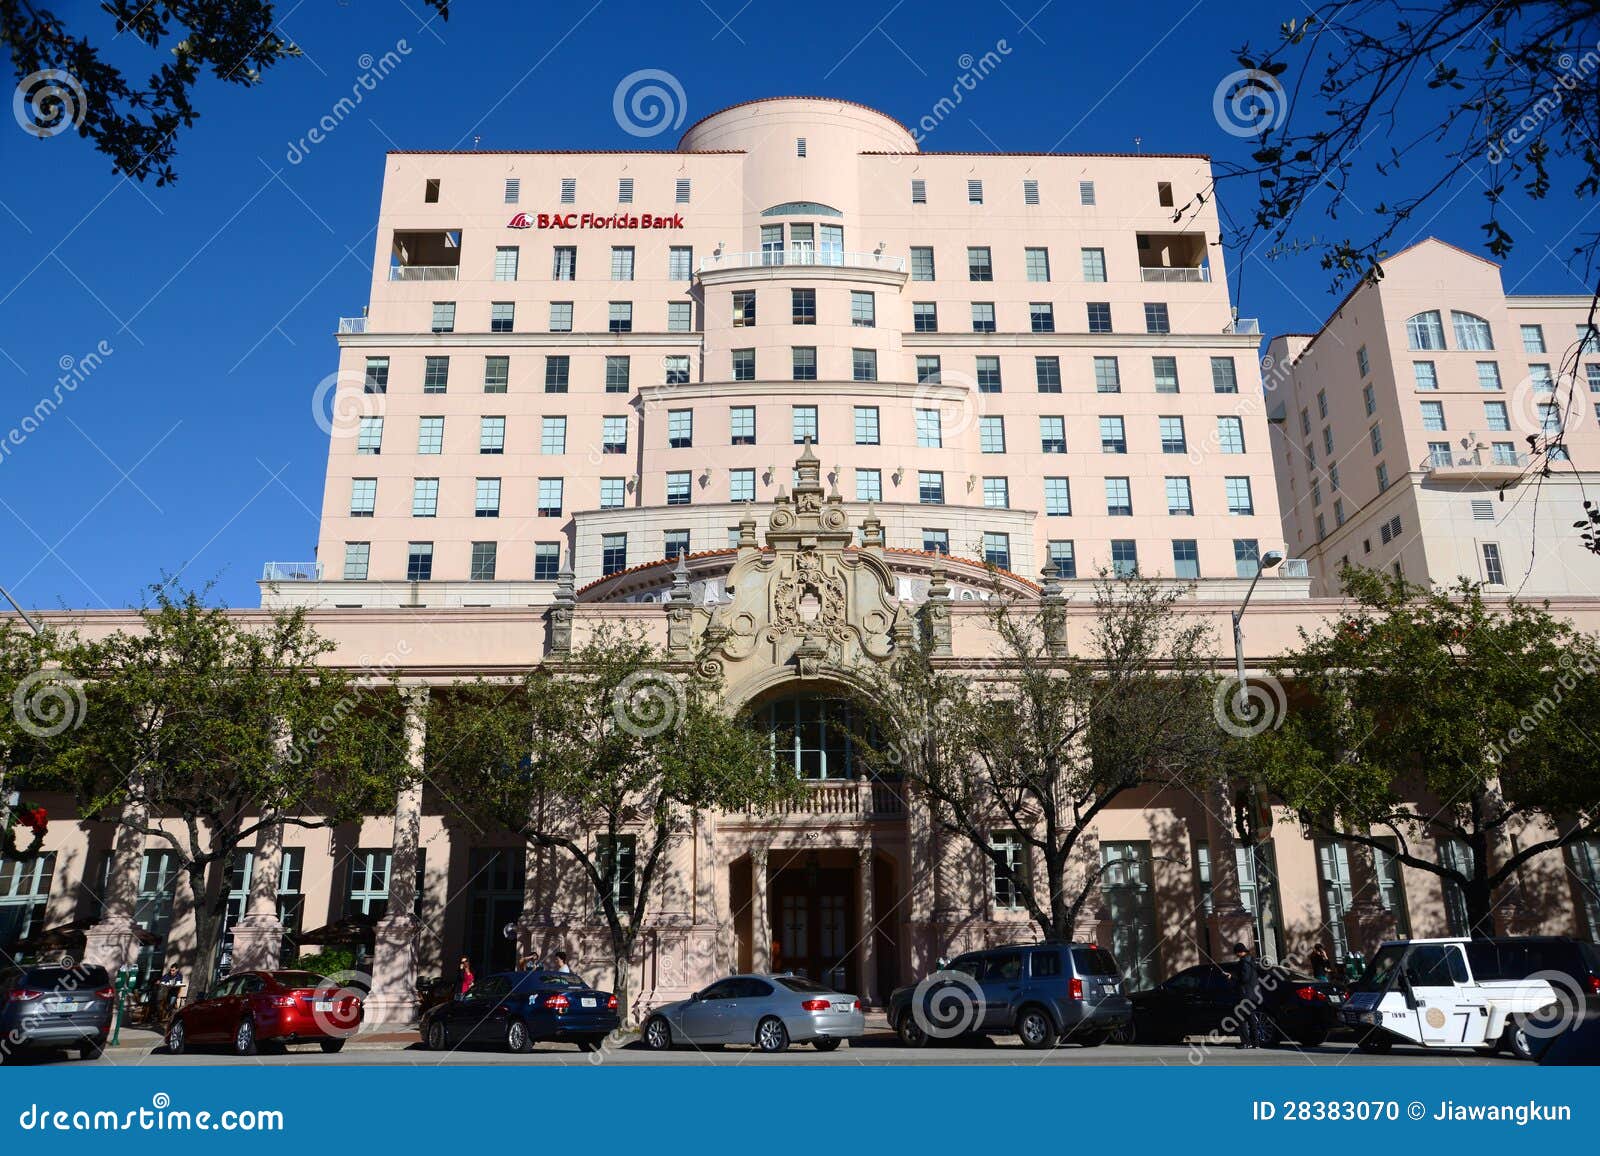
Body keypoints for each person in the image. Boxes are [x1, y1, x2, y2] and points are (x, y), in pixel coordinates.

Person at [1233, 941, 1265, 1049]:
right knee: (1251, 1018)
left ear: (1240, 952)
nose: (1236, 955)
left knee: (1241, 1017)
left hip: (1245, 994)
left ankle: (1246, 1042)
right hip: (1254, 994)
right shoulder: (1252, 961)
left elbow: (1244, 979)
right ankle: (1256, 1043)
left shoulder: (1243, 962)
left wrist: (1232, 977)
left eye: (1236, 953)